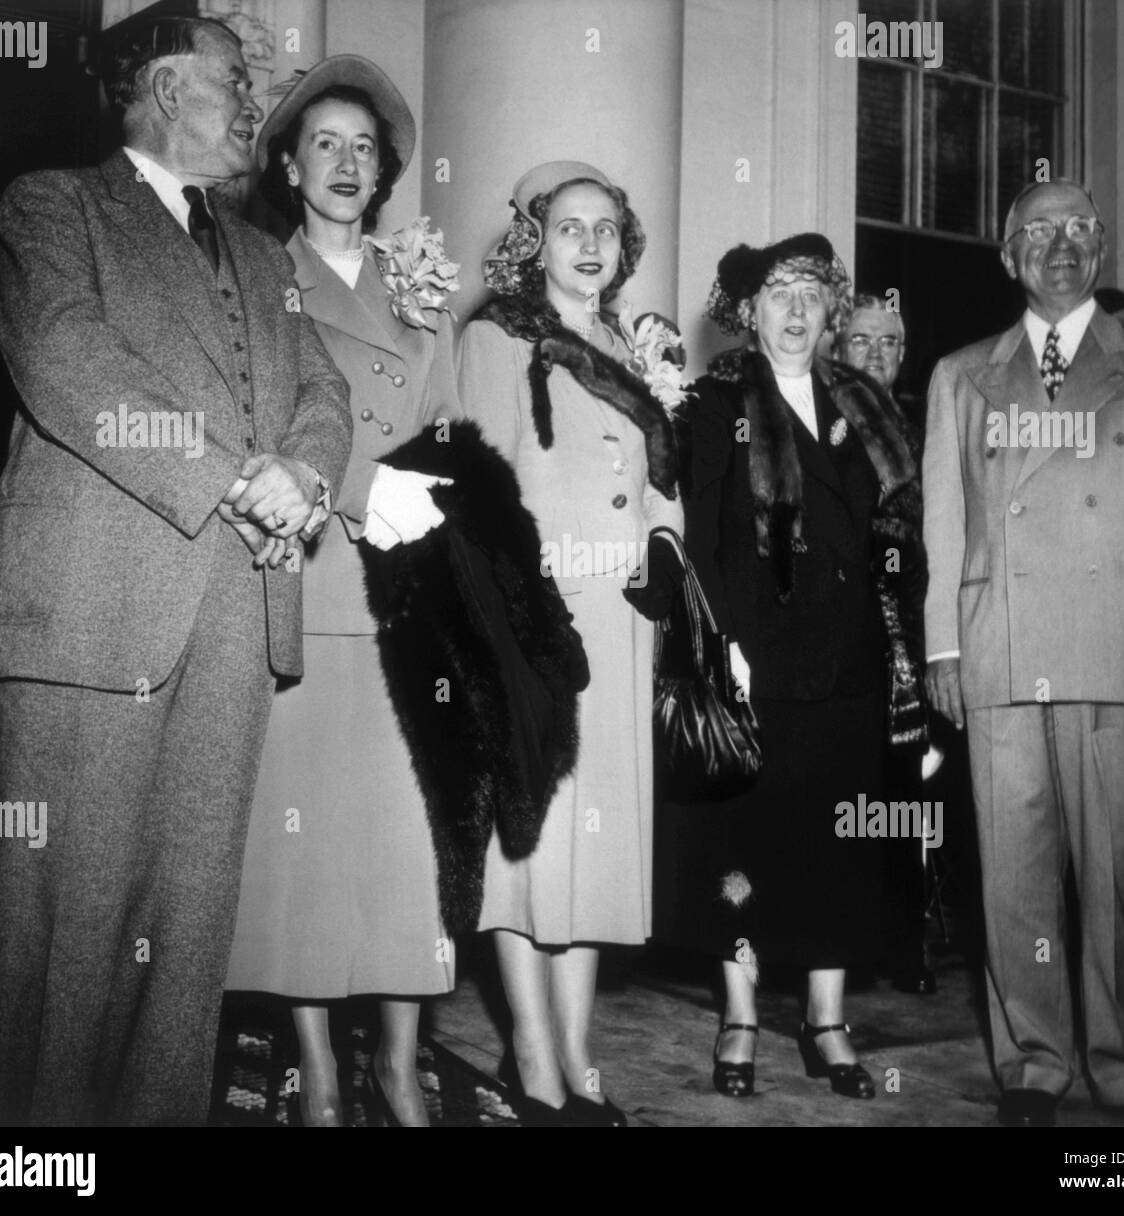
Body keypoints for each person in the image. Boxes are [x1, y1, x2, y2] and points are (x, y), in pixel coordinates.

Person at [0, 15, 352, 1125]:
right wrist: (239, 478)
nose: (257, 99)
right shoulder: (55, 205)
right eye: (239, 78)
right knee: (67, 934)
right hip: (89, 614)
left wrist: (307, 479)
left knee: (186, 943)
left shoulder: (267, 255)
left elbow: (322, 393)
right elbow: (69, 360)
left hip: (234, 615)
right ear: (165, 85)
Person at [923, 179, 1124, 1128]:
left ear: (1102, 249)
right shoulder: (961, 373)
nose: (1063, 245)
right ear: (1009, 254)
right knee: (1012, 875)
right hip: (1004, 649)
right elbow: (943, 528)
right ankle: (1033, 1065)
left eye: (1082, 230)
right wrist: (943, 646)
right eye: (1041, 232)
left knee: (1117, 878)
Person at [222, 55, 461, 1127]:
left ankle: (400, 1067)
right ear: (285, 161)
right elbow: (255, 427)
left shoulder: (424, 293)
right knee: (305, 846)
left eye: (364, 146)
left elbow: (454, 445)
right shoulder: (248, 276)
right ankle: (316, 1067)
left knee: (409, 842)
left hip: (409, 597)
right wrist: (365, 489)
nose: (347, 162)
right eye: (324, 141)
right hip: (308, 578)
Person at [654, 236, 927, 1100]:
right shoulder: (716, 398)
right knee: (745, 847)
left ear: (832, 310)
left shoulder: (865, 402)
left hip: (852, 661)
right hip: (754, 658)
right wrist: (720, 645)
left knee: (842, 839)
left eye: (812, 293)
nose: (797, 311)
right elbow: (700, 536)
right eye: (778, 294)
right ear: (748, 311)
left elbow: (901, 536)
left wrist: (902, 650)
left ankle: (826, 1019)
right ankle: (739, 1017)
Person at [457, 161, 683, 1125]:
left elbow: (659, 479)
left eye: (605, 228)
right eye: (567, 227)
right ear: (532, 243)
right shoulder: (494, 338)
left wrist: (665, 546)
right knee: (530, 847)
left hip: (621, 626)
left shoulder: (635, 345)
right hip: (537, 624)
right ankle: (535, 1063)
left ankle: (580, 1056)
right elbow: (477, 487)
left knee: (596, 855)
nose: (589, 243)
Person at [836, 293, 937, 997]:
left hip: (910, 637)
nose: (876, 354)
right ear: (837, 347)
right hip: (836, 632)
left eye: (890, 342)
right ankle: (828, 945)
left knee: (905, 794)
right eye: (861, 340)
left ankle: (904, 941)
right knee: (835, 791)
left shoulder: (928, 426)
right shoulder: (814, 418)